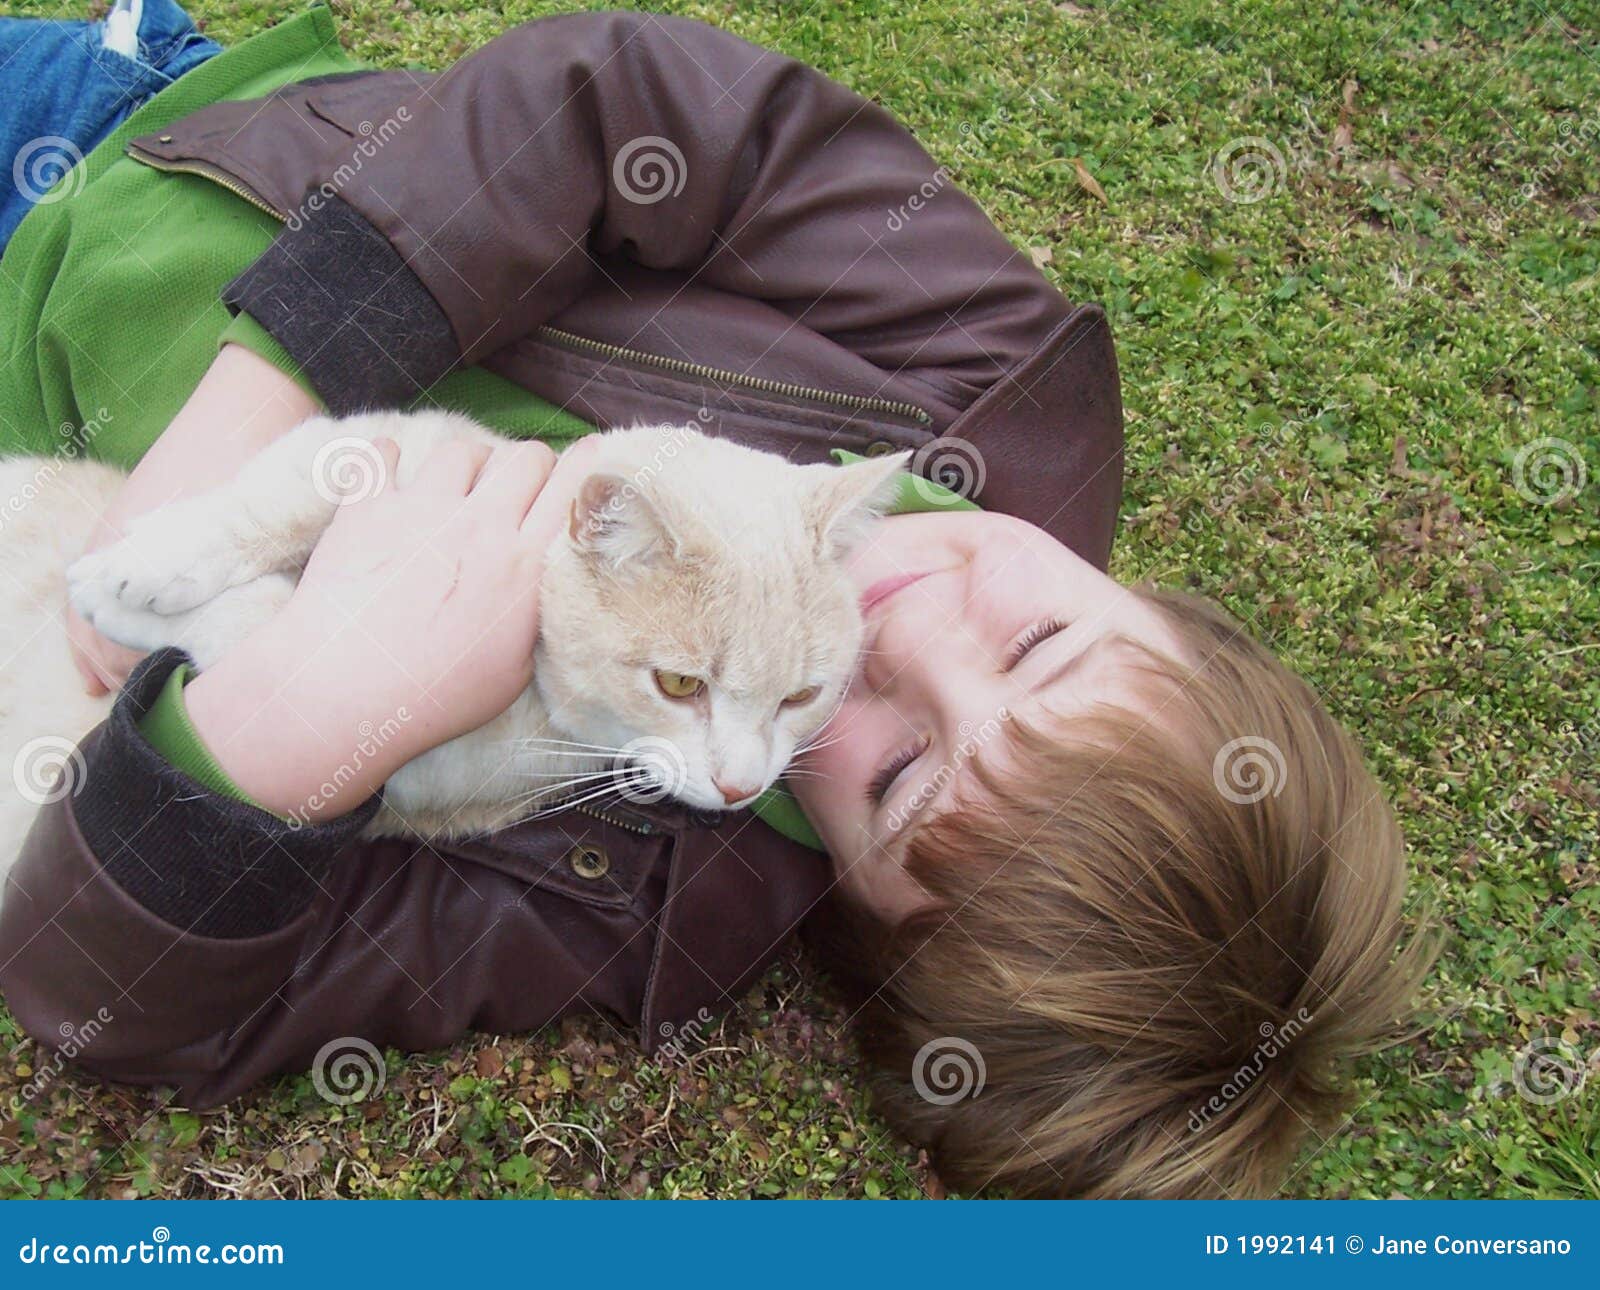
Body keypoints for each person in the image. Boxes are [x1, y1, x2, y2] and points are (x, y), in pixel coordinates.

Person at [0, 4, 1427, 1197]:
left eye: (909, 776)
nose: (907, 626)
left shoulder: (639, 893)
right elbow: (618, 99)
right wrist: (256, 406)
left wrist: (298, 727)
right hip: (140, 149)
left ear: (850, 910)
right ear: (1175, 611)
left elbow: (115, 999)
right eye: (1042, 644)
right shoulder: (983, 353)